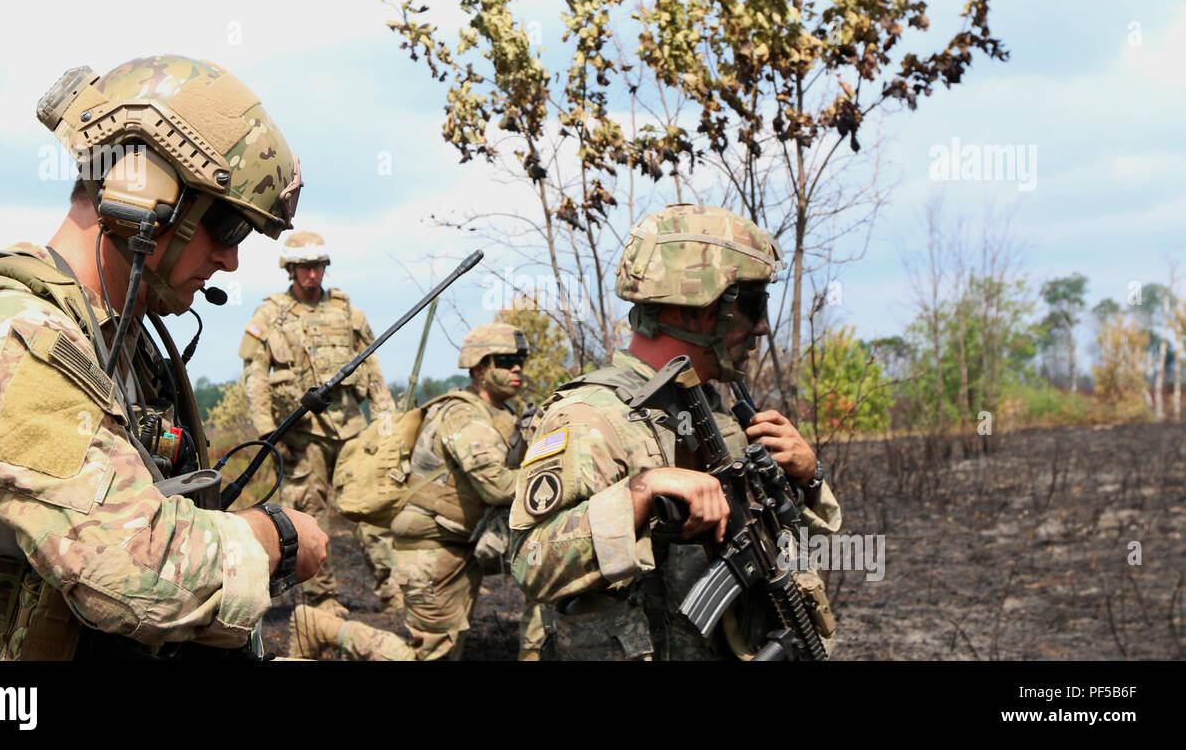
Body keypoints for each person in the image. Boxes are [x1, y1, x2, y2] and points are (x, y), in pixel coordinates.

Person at [0, 54, 327, 660]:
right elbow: (133, 571)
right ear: (141, 195)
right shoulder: (10, 339)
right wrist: (276, 536)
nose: (231, 261)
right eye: (226, 227)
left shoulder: (121, 346)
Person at [508, 204, 842, 660]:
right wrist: (641, 492)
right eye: (752, 304)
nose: (763, 326)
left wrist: (808, 479)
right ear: (698, 310)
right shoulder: (590, 418)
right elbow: (531, 564)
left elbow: (791, 549)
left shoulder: (719, 412)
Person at [239, 231, 400, 655]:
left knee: (373, 506)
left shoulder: (347, 311)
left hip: (351, 430)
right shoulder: (271, 314)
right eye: (305, 267)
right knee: (309, 514)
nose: (313, 274)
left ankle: (392, 589)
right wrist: (264, 432)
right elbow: (254, 376)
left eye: (319, 266)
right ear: (290, 270)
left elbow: (375, 370)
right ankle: (322, 599)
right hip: (302, 435)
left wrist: (387, 424)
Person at [388, 322, 539, 660]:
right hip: (433, 547)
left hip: (464, 540)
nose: (517, 367)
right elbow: (497, 486)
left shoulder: (500, 413)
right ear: (479, 368)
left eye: (520, 359)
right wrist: (556, 482)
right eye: (505, 360)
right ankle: (328, 631)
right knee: (432, 653)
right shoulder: (464, 415)